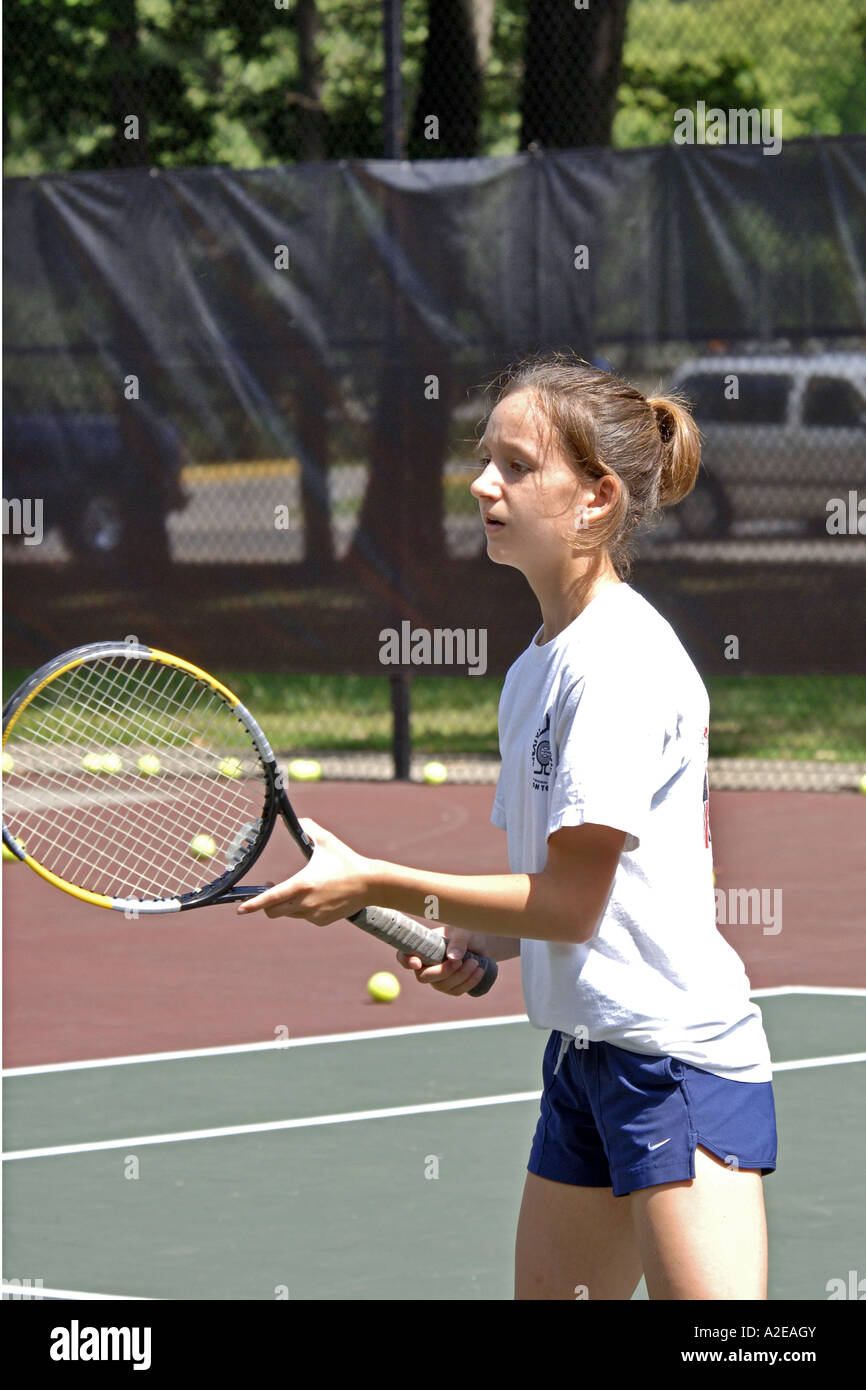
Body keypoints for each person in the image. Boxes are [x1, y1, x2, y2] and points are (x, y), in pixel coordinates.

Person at [237, 352, 777, 1301]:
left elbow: (569, 906)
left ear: (597, 497)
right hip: (585, 1057)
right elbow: (568, 906)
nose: (483, 482)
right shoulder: (538, 667)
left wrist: (376, 884)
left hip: (677, 1062)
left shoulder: (614, 665)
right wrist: (476, 941)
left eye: (518, 466)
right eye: (486, 459)